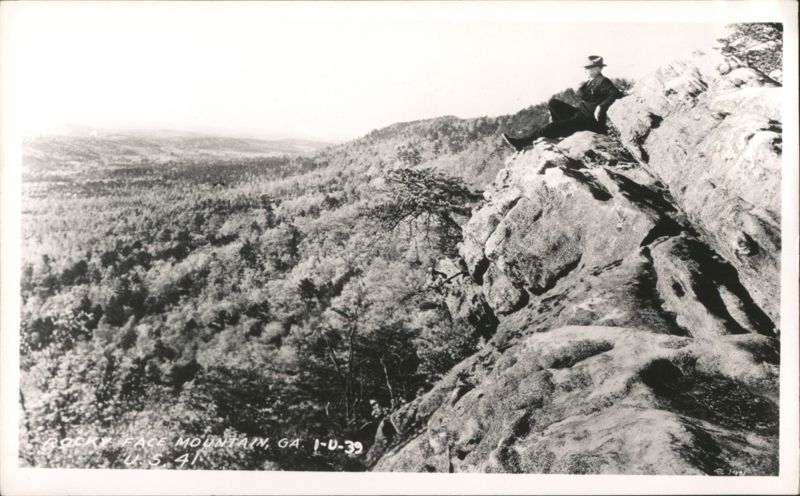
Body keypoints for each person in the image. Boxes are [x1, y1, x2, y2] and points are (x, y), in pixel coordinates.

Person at [502, 55, 623, 151]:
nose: (585, 70)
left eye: (588, 68)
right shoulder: (591, 81)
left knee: (552, 127)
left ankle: (521, 143)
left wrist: (601, 107)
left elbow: (615, 93)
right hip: (580, 114)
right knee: (553, 103)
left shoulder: (603, 81)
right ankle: (559, 130)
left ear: (597, 69)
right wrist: (581, 88)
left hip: (587, 122)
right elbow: (586, 96)